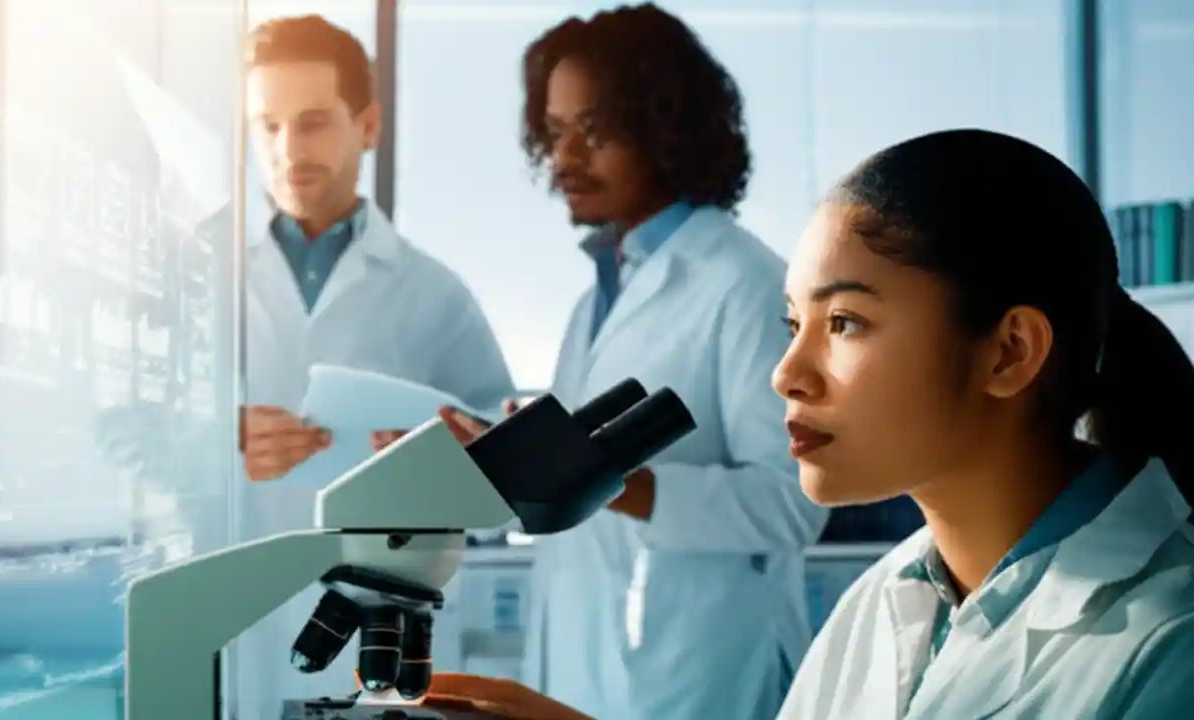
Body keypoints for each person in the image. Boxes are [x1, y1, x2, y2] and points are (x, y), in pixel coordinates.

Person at [423, 129, 1194, 719]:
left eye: (847, 322)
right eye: (794, 323)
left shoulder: (1169, 640)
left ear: (1009, 351)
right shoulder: (884, 606)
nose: (786, 373)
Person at [397, 5, 829, 718]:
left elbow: (793, 503)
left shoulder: (745, 284)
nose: (565, 159)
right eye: (556, 134)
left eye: (593, 132)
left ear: (667, 130)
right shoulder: (592, 301)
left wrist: (611, 481)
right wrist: (497, 459)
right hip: (587, 665)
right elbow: (573, 486)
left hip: (698, 675)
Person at [235, 15, 514, 719]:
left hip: (379, 629)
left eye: (313, 121)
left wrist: (450, 464)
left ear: (367, 126)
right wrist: (216, 439)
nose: (287, 149)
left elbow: (505, 471)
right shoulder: (198, 272)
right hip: (224, 613)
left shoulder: (433, 294)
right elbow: (117, 435)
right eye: (266, 124)